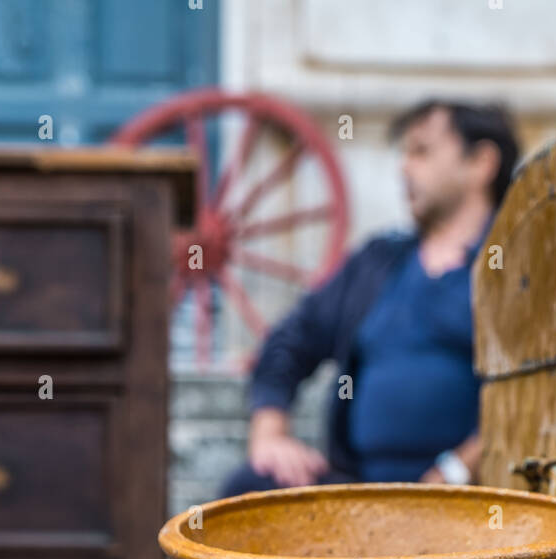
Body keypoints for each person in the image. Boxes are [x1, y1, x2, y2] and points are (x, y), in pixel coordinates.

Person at [221, 100, 519, 495]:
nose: (404, 167)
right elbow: (290, 340)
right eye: (404, 154)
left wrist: (457, 470)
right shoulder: (377, 262)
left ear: (481, 163)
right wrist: (270, 433)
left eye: (422, 151)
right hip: (361, 492)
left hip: (471, 496)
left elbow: (538, 392)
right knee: (249, 488)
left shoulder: (515, 267)